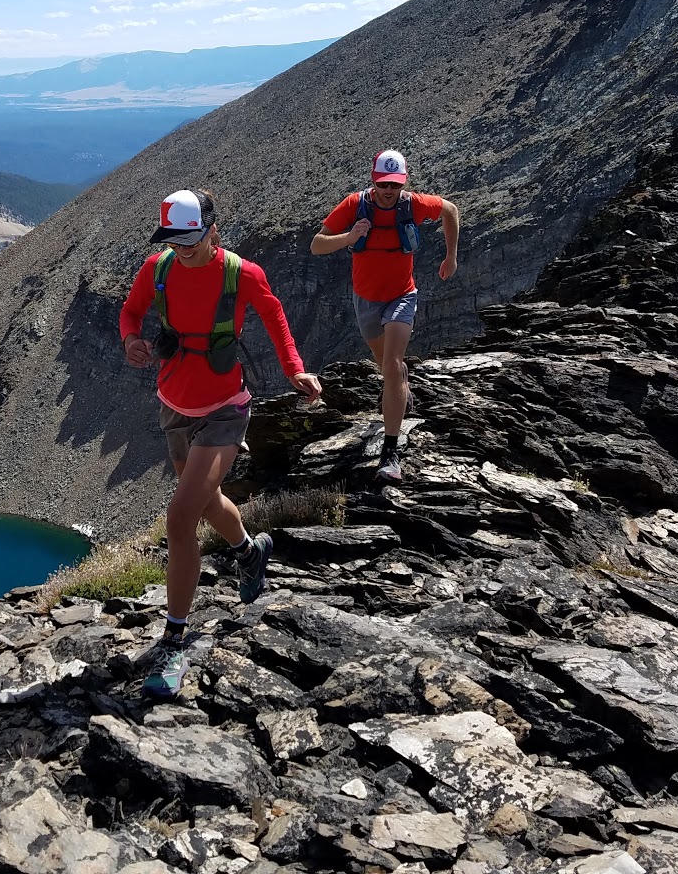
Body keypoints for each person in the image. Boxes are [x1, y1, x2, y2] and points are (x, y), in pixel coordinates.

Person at [120, 188, 322, 699]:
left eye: (189, 240)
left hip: (226, 409)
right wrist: (131, 341)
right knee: (205, 500)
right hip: (173, 404)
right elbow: (131, 311)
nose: (181, 249)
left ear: (211, 229)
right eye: (173, 240)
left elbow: (276, 319)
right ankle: (251, 553)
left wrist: (295, 370)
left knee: (180, 515)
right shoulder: (157, 269)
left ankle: (174, 639)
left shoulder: (242, 274)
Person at [311, 149, 459, 482]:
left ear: (403, 182)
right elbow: (317, 244)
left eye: (394, 184)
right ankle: (401, 383)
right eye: (382, 184)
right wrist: (349, 237)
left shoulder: (414, 204)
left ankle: (390, 454)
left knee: (391, 365)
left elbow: (449, 209)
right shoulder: (354, 205)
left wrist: (451, 257)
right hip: (366, 301)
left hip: (402, 296)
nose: (388, 191)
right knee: (387, 367)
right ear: (373, 180)